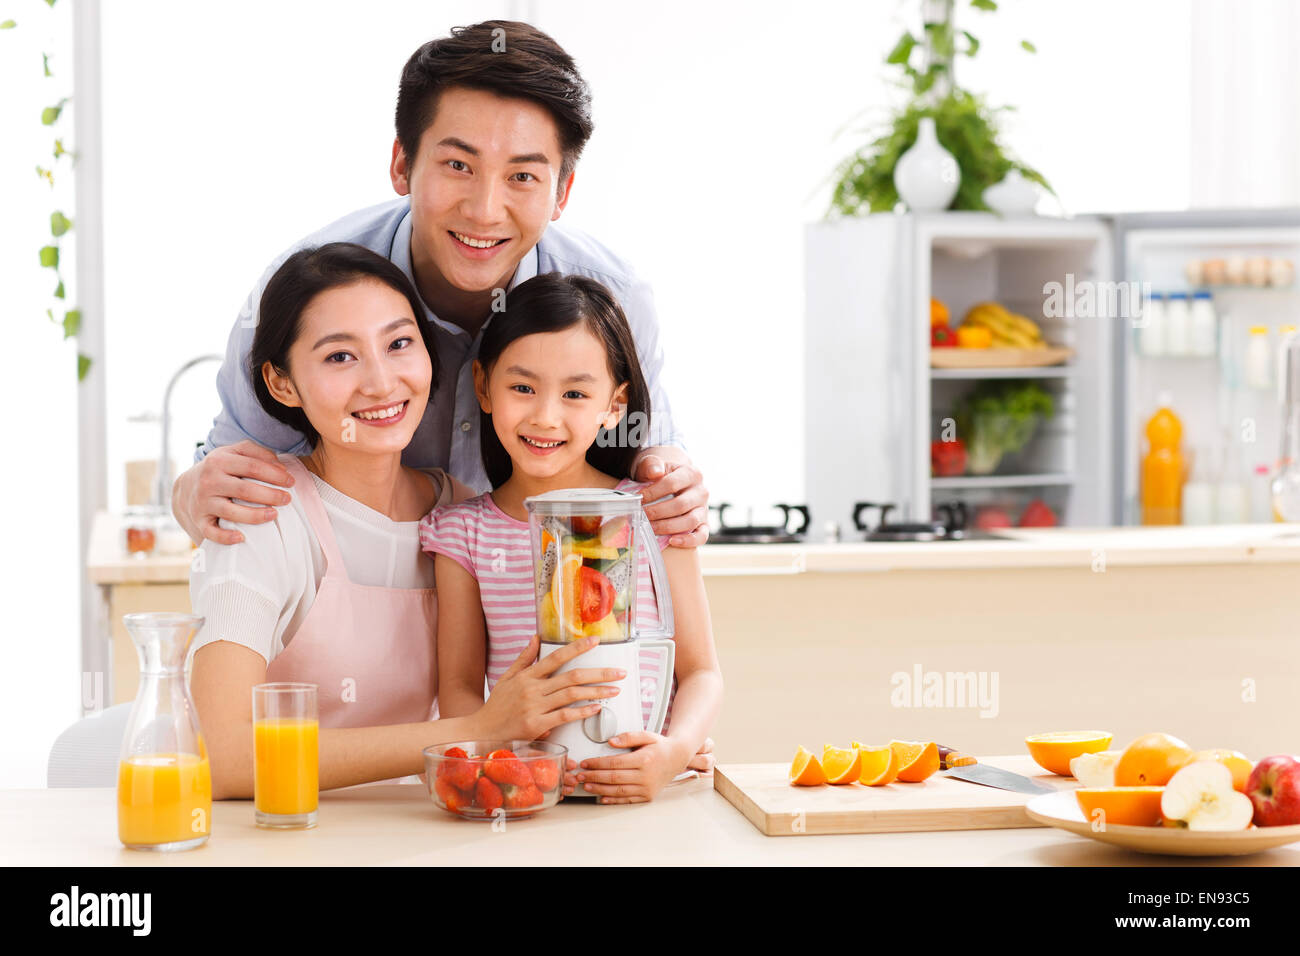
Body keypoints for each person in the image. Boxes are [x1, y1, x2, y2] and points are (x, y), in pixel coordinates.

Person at [172, 20, 709, 550]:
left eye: (522, 176)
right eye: (457, 164)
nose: (483, 211)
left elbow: (648, 453)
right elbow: (228, 495)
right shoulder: (301, 296)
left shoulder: (615, 299)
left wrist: (669, 479)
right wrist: (193, 495)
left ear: (561, 192)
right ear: (402, 165)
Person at [189, 243, 626, 798]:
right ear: (282, 383)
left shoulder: (457, 514)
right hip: (278, 836)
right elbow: (224, 757)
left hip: (415, 828)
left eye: (399, 344)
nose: (379, 382)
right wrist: (473, 731)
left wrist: (652, 740)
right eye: (339, 357)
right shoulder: (260, 514)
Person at [420, 273, 723, 804]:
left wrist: (674, 751)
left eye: (576, 393)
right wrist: (513, 759)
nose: (546, 415)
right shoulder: (462, 534)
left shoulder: (655, 512)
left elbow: (702, 672)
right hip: (532, 797)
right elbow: (461, 691)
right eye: (522, 387)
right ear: (483, 386)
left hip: (651, 794)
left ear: (614, 406)